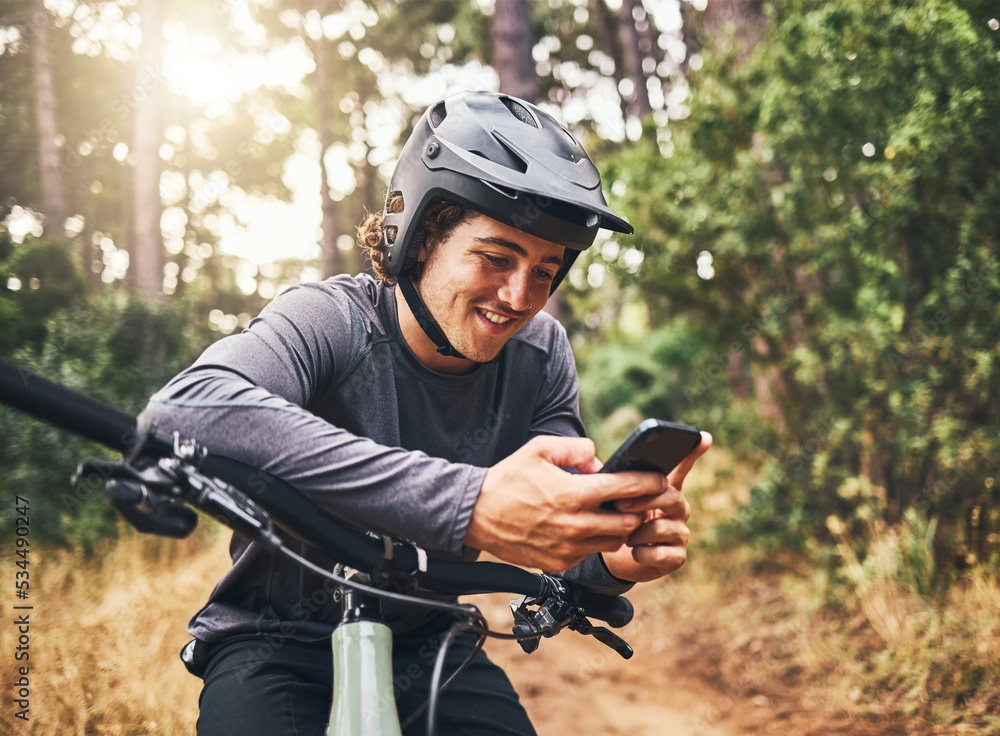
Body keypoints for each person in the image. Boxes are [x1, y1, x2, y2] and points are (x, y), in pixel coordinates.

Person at [138, 90, 711, 736]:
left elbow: (558, 533)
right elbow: (187, 410)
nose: (521, 297)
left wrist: (610, 560)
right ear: (419, 239)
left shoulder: (542, 354)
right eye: (495, 259)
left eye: (546, 270)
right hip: (274, 642)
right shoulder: (332, 323)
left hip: (431, 644)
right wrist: (470, 502)